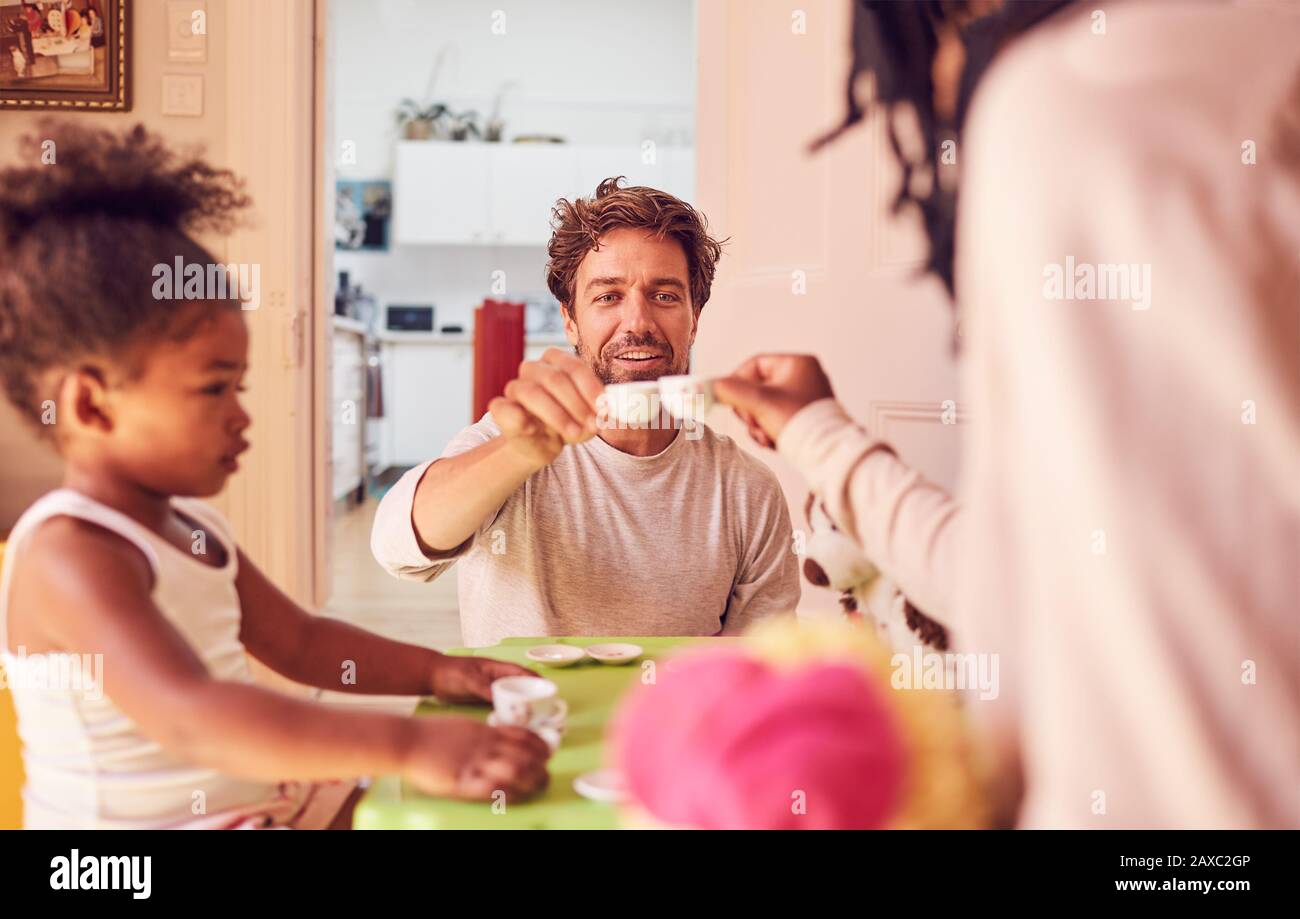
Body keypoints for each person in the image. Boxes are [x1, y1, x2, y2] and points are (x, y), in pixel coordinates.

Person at [715, 0, 1300, 828]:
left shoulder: (1074, 112)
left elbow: (1020, 628)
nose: (940, 94)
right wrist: (822, 434)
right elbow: (1027, 579)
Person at [0, 121, 549, 829]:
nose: (242, 416)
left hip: (254, 802)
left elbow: (299, 643)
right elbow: (191, 716)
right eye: (214, 388)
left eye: (241, 386)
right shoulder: (71, 554)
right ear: (89, 403)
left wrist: (442, 670)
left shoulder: (192, 529)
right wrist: (409, 740)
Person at [372, 179, 800, 647]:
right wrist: (519, 453)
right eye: (608, 296)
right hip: (530, 721)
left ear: (694, 318)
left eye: (664, 295)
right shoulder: (508, 445)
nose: (637, 323)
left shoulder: (747, 490)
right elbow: (396, 547)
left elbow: (764, 673)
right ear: (570, 320)